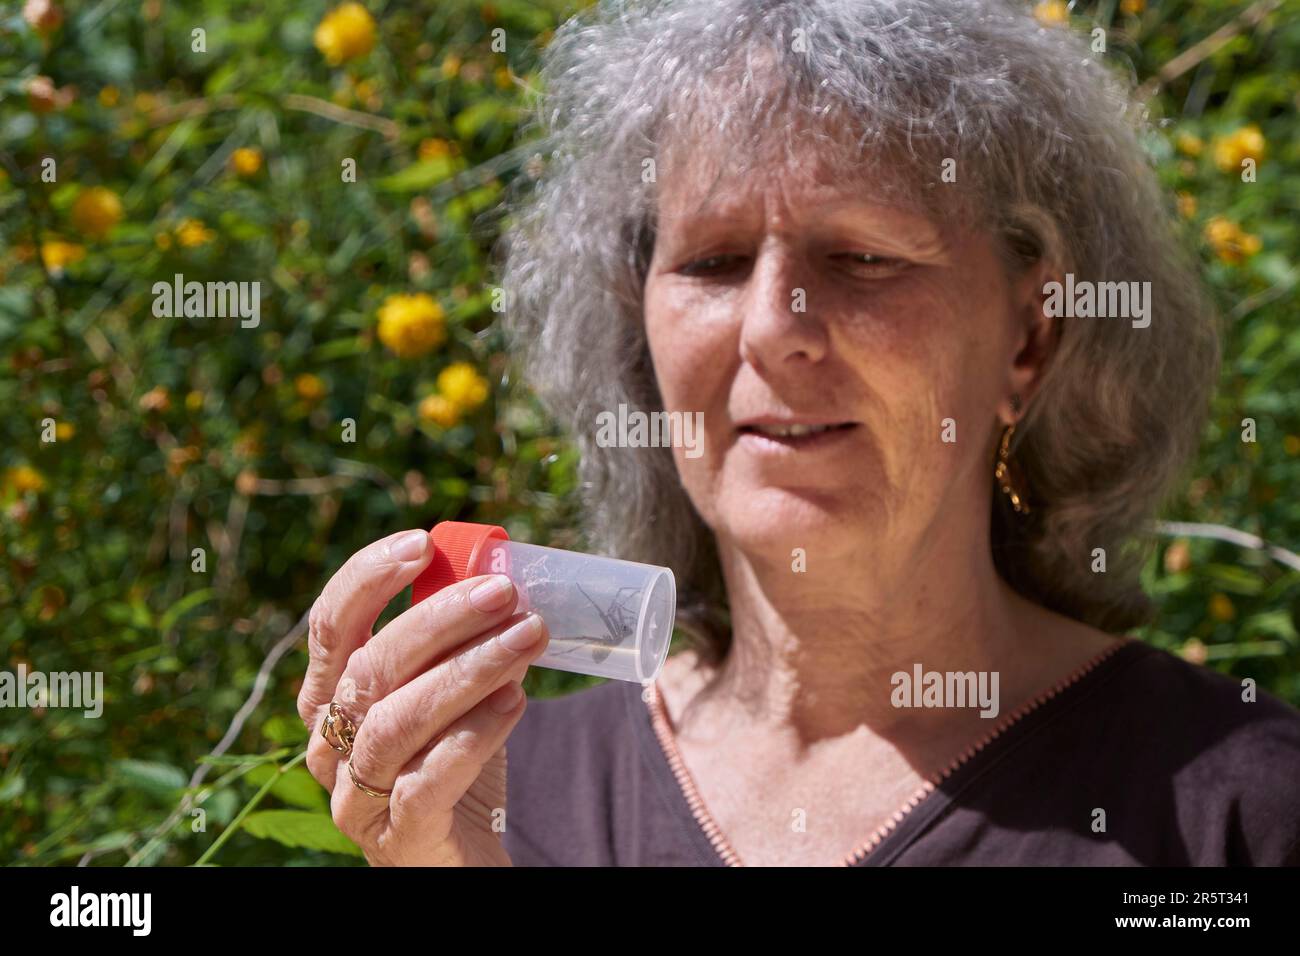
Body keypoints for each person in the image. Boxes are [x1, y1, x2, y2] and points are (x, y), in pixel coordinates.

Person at [297, 0, 1300, 866]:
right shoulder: (494, 788)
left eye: (862, 255)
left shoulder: (1235, 810)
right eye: (714, 260)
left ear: (1029, 338)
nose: (774, 327)